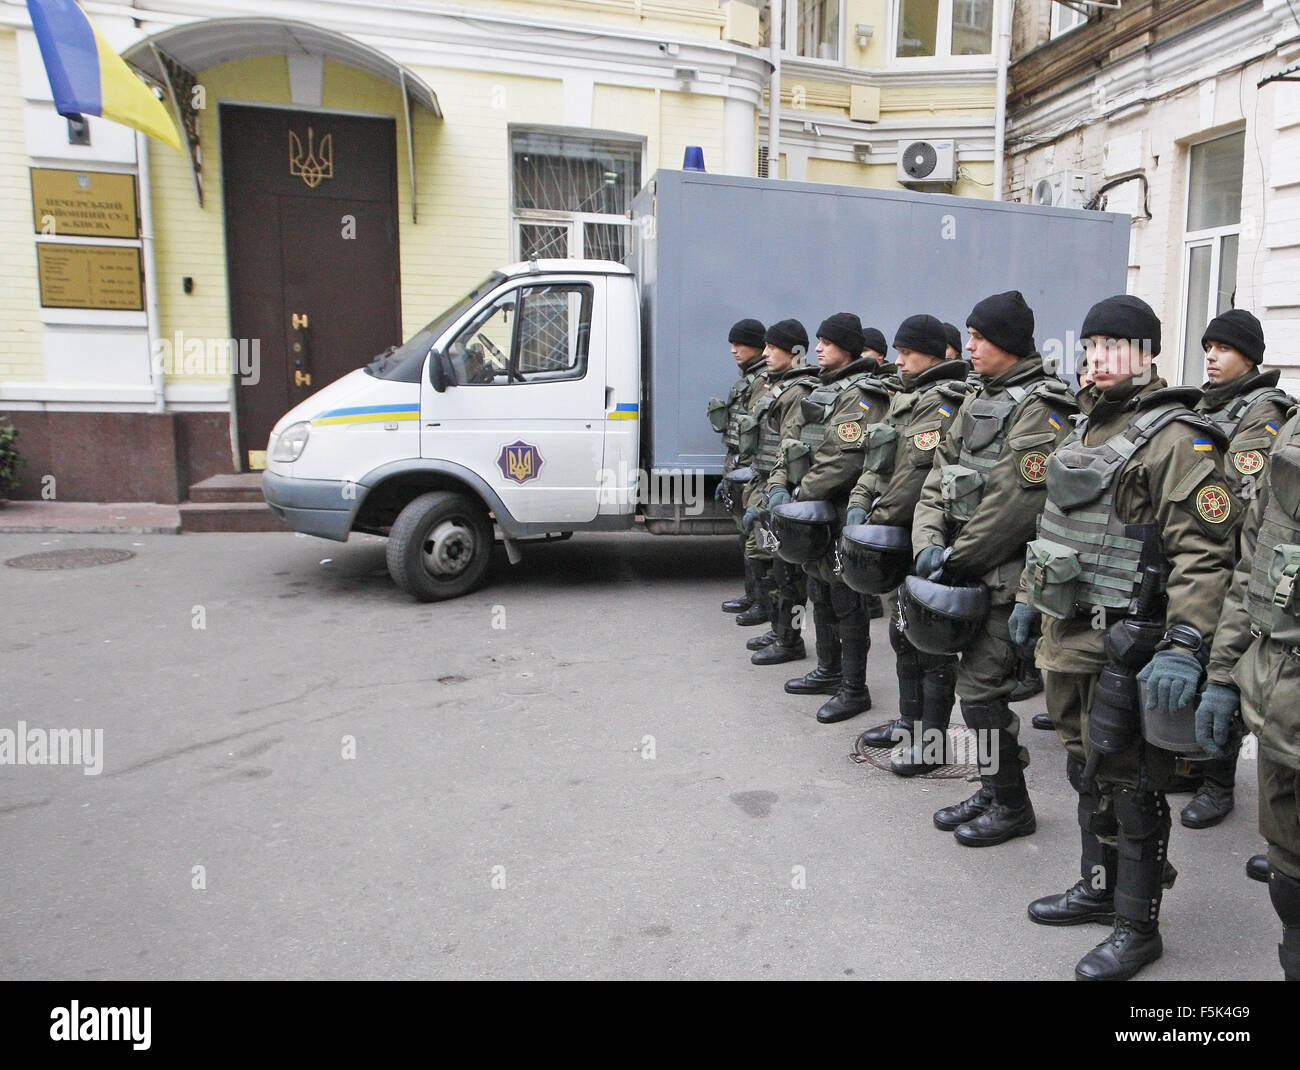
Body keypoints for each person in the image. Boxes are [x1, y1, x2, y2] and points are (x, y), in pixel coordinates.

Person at [1018, 294, 1240, 981]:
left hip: (1127, 644)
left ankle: (1137, 925)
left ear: (1145, 354)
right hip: (1068, 634)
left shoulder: (1179, 439)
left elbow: (1204, 554)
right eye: (1090, 345)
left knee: (1130, 779)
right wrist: (1031, 597)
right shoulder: (1082, 430)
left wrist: (1185, 642)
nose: (1097, 358)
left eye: (1115, 345)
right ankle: (1098, 886)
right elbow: (1056, 526)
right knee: (1085, 766)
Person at [911, 291, 1077, 845]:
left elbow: (1015, 508)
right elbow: (937, 475)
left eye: (981, 337)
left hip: (1006, 582)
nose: (970, 347)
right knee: (973, 691)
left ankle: (1012, 805)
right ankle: (991, 789)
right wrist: (928, 542)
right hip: (963, 574)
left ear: (1007, 341)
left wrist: (954, 560)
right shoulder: (978, 396)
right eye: (970, 335)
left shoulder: (1044, 407)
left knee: (982, 693)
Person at [1178, 310, 1292, 831]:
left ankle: (1217, 781)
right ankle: (1195, 758)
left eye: (1223, 348)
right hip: (1204, 556)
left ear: (1250, 357)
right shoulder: (1208, 405)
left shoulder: (1264, 413)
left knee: (1224, 670)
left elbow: (1238, 501)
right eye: (1208, 346)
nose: (1211, 355)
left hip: (1231, 560)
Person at [1198, 401, 1300, 979]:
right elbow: (1248, 572)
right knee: (1289, 864)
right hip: (1281, 700)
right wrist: (1221, 675)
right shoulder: (1292, 434)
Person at [847, 315, 970, 774]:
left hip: (927, 536)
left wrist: (876, 517)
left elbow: (915, 477)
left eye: (909, 353)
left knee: (929, 642)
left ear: (936, 356)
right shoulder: (909, 397)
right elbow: (878, 462)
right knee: (903, 633)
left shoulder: (941, 403)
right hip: (904, 533)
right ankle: (909, 723)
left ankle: (933, 742)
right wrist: (861, 500)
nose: (899, 360)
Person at [767, 313, 892, 723]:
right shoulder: (821, 389)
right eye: (817, 341)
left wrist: (801, 493)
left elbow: (844, 460)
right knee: (819, 592)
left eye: (827, 342)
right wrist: (780, 485)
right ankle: (828, 670)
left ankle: (854, 689)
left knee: (846, 600)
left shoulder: (863, 395)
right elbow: (793, 444)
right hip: (811, 515)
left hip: (839, 513)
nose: (817, 348)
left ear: (849, 348)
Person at [740, 320, 819, 663]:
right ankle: (779, 629)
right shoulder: (780, 386)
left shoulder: (798, 391)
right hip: (767, 485)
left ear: (794, 352)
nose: (766, 353)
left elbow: (790, 448)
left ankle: (791, 639)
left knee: (785, 571)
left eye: (774, 347)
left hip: (782, 492)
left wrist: (774, 495)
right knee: (767, 560)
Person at [709, 319, 767, 617]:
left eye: (739, 344)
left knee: (755, 537)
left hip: (750, 468)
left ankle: (762, 603)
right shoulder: (747, 379)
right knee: (744, 536)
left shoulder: (762, 380)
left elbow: (760, 433)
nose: (733, 350)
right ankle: (752, 595)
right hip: (737, 463)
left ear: (758, 345)